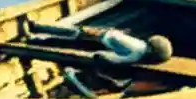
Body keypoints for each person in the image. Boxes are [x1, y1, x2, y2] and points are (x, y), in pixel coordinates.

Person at [27, 20, 173, 65]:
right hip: (102, 36)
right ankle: (36, 33)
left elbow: (117, 59)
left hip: (98, 40)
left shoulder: (136, 53)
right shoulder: (140, 48)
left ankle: (36, 32)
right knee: (68, 35)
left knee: (68, 36)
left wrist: (100, 54)